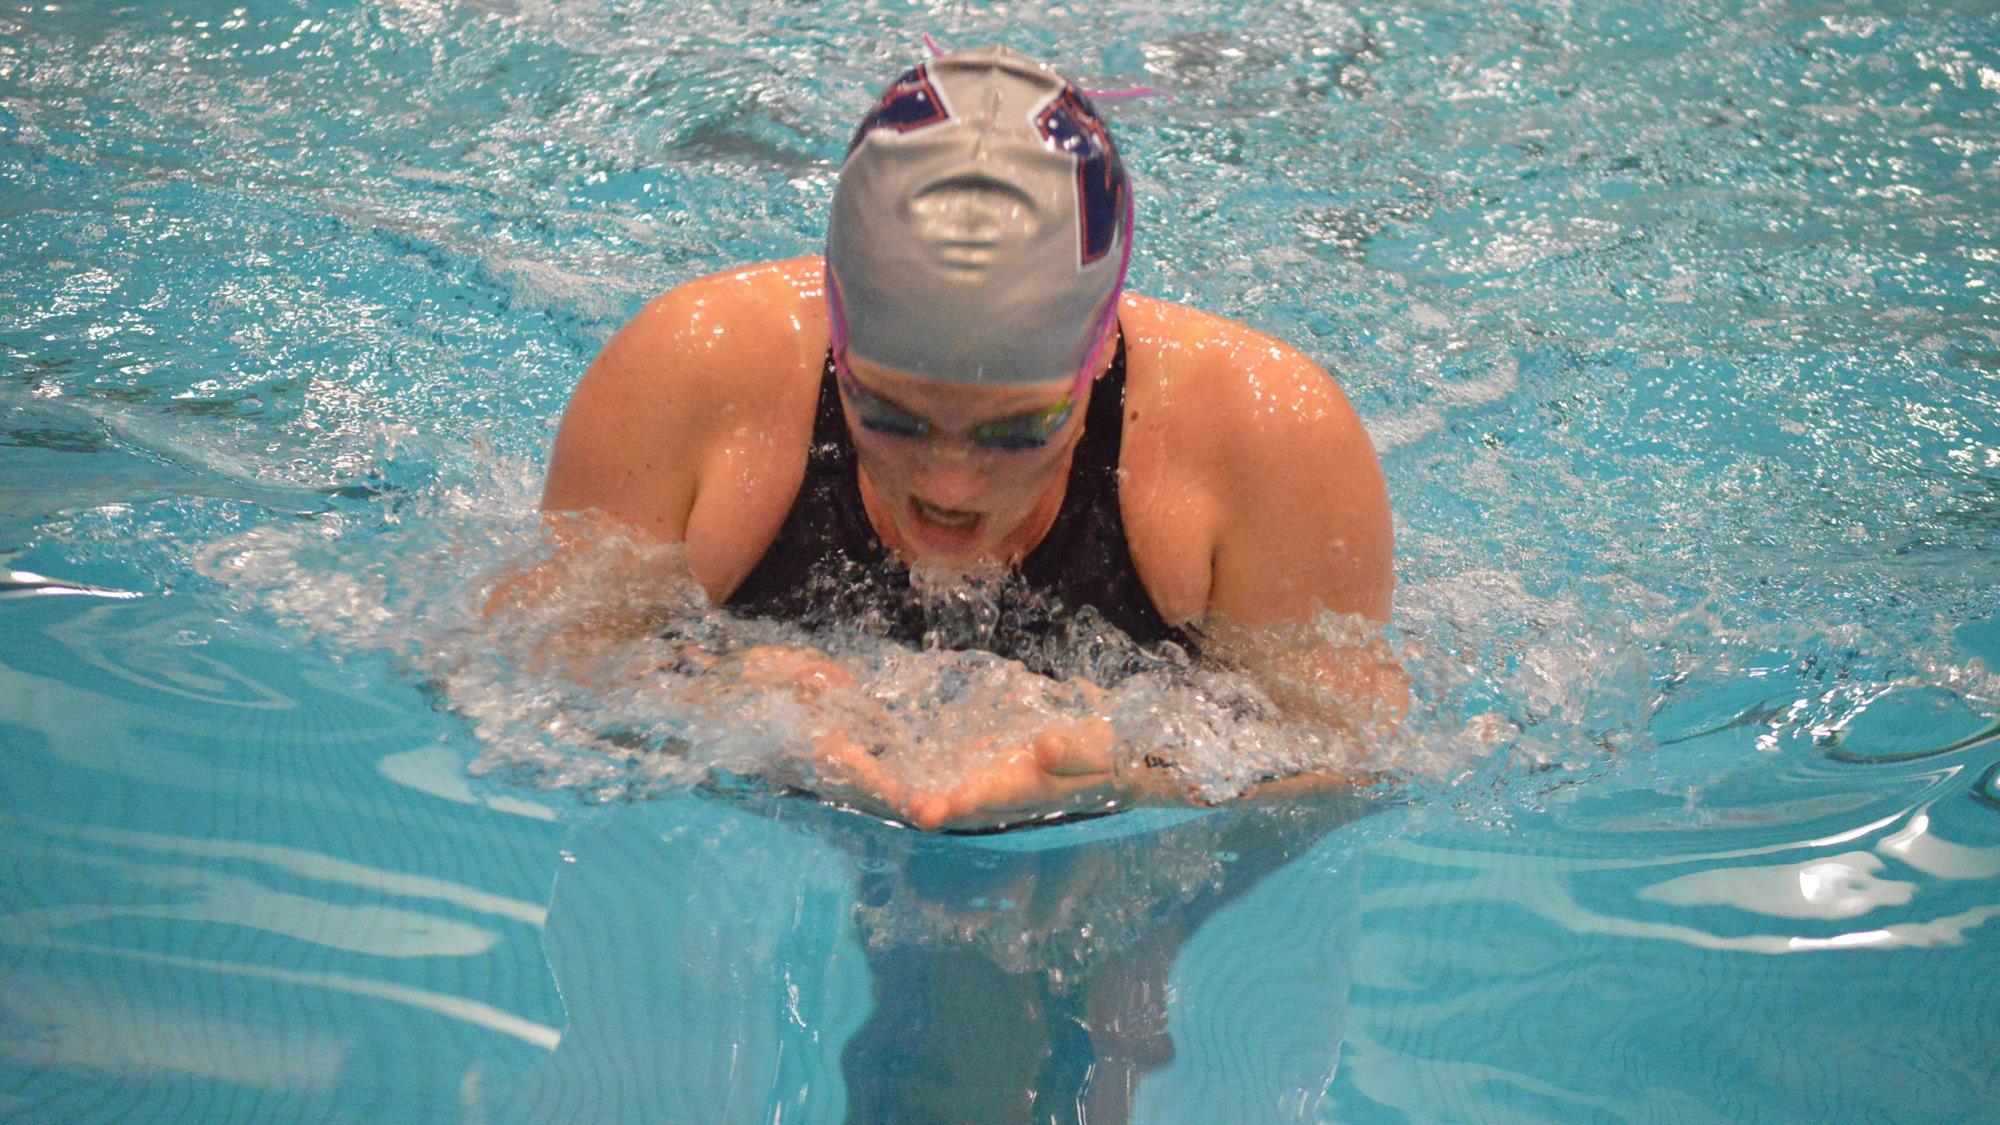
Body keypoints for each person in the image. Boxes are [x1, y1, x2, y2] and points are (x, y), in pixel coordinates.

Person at [515, 45, 1400, 829]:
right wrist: (718, 703)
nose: (949, 486)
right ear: (838, 333)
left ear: (1099, 348)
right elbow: (519, 668)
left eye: (1016, 430)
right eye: (891, 416)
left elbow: (1359, 762)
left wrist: (1131, 779)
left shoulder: (1265, 436)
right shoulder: (690, 377)